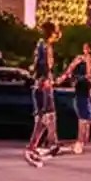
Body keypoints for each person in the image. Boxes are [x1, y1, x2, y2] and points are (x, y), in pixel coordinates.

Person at [25, 22, 62, 167]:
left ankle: (49, 143)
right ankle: (43, 144)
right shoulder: (43, 45)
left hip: (45, 82)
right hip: (43, 83)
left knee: (47, 115)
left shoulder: (46, 45)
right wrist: (43, 79)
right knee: (45, 115)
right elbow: (40, 64)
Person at [61, 43, 91, 155]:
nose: (86, 50)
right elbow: (70, 70)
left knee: (82, 115)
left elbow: (88, 75)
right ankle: (82, 140)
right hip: (81, 87)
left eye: (87, 48)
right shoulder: (81, 59)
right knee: (83, 114)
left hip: (83, 87)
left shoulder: (87, 60)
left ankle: (80, 141)